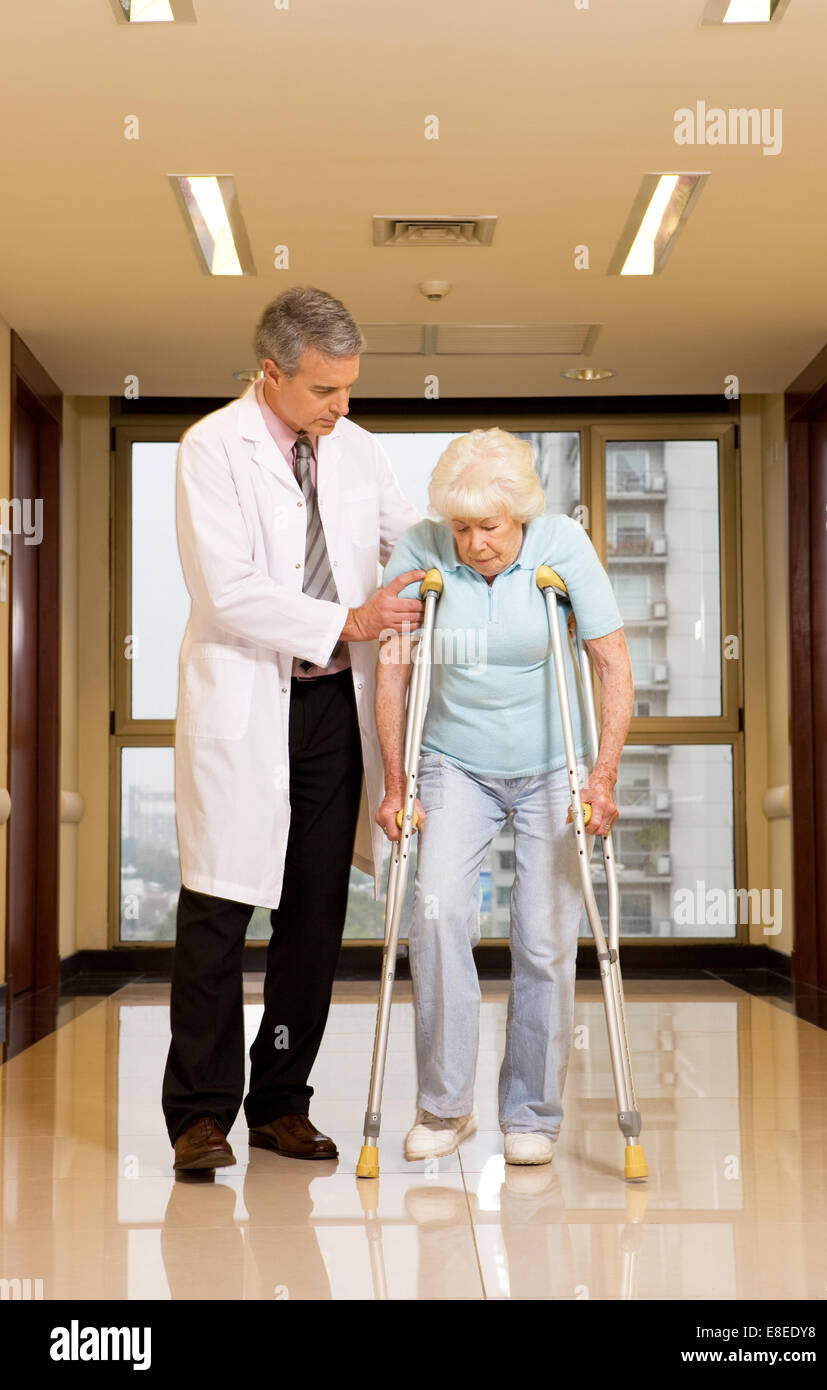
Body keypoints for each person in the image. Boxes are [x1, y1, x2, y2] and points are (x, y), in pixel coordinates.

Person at [163, 286, 425, 1171]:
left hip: (329, 711)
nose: (341, 408)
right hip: (247, 700)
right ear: (271, 374)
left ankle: (282, 1102)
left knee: (313, 916)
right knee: (218, 910)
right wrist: (350, 620)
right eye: (324, 392)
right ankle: (200, 1117)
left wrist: (481, 548)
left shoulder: (354, 450)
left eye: (349, 389)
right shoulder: (212, 449)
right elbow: (225, 591)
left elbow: (408, 544)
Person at [375, 428, 633, 1166]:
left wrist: (603, 776)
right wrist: (397, 784)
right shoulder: (422, 550)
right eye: (461, 528)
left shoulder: (563, 544)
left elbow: (612, 666)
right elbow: (393, 673)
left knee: (546, 939)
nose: (474, 543)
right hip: (454, 761)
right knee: (436, 914)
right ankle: (444, 1106)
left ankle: (531, 1114)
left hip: (555, 761)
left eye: (489, 527)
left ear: (519, 515)